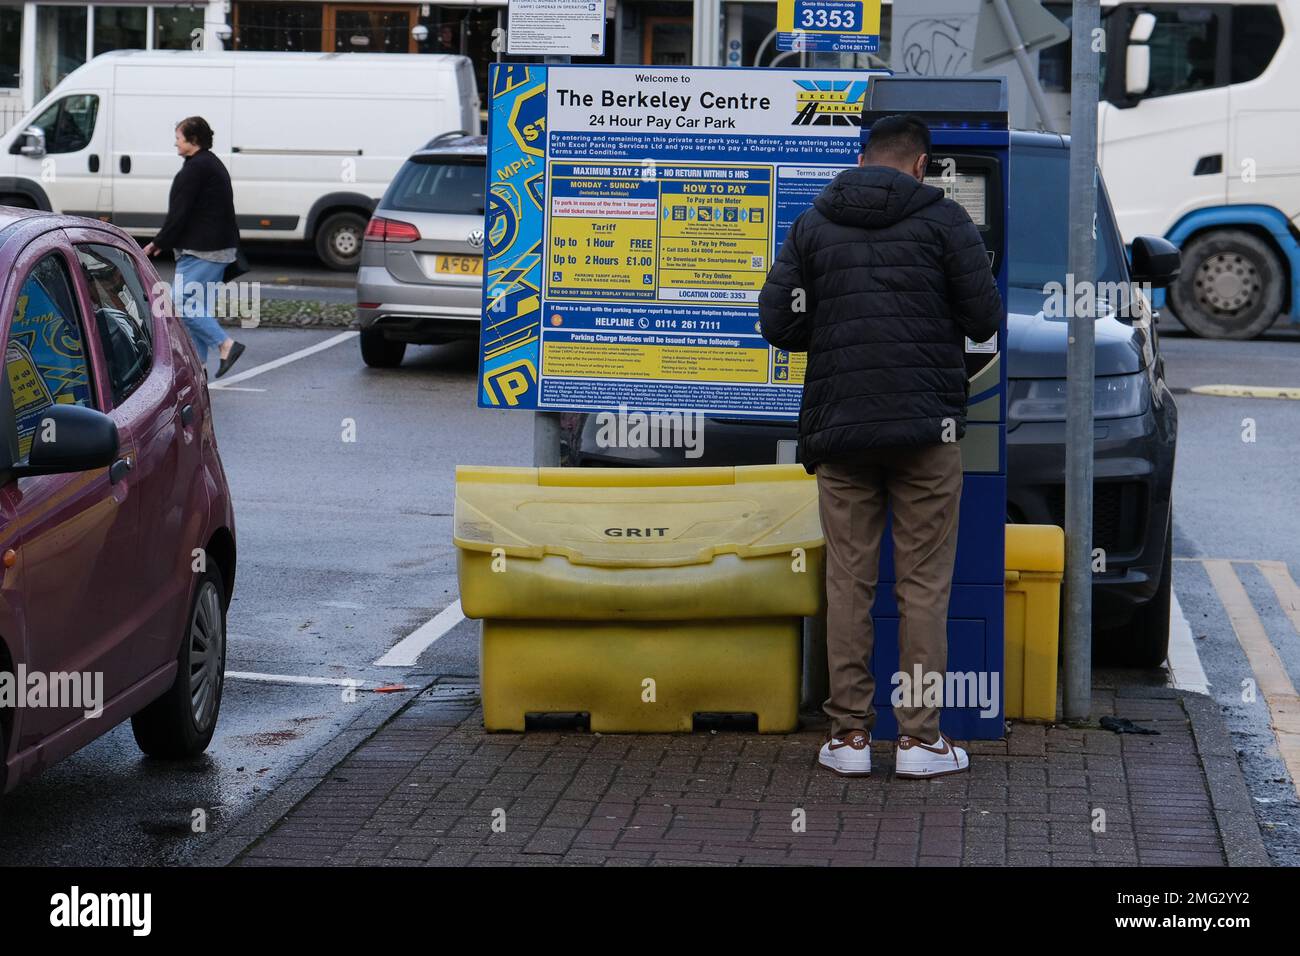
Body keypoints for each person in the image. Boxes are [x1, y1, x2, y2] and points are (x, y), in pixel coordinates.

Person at [758, 114, 1003, 780]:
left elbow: (778, 321)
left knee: (849, 581)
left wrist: (839, 332)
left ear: (864, 158)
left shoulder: (815, 221)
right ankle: (921, 744)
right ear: (921, 165)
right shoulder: (946, 222)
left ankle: (848, 739)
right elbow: (984, 318)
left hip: (842, 429)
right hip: (927, 431)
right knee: (923, 586)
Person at [142, 115, 246, 378]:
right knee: (197, 309)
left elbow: (180, 213)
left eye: (178, 138)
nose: (175, 143)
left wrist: (158, 242)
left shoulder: (196, 169)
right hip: (215, 250)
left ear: (193, 140)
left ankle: (226, 345)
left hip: (203, 251)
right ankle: (198, 369)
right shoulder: (208, 165)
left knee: (178, 304)